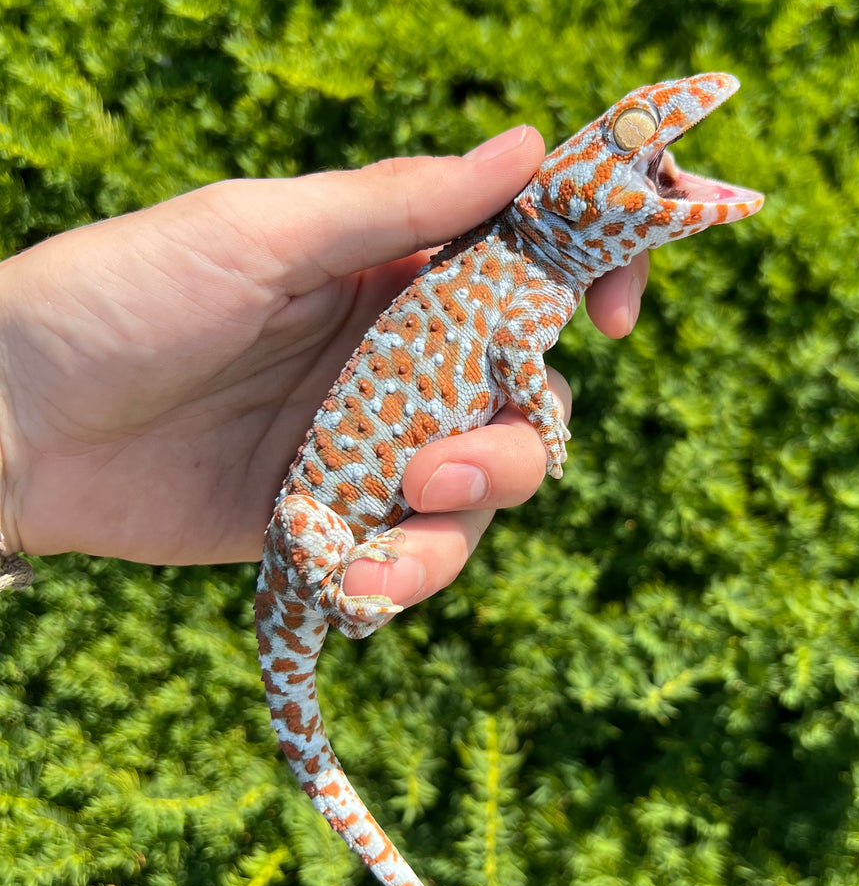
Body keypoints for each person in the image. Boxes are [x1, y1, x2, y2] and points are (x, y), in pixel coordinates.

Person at [0, 125, 648, 605]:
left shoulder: (540, 275)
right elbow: (512, 355)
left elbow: (511, 351)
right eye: (628, 136)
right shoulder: (529, 264)